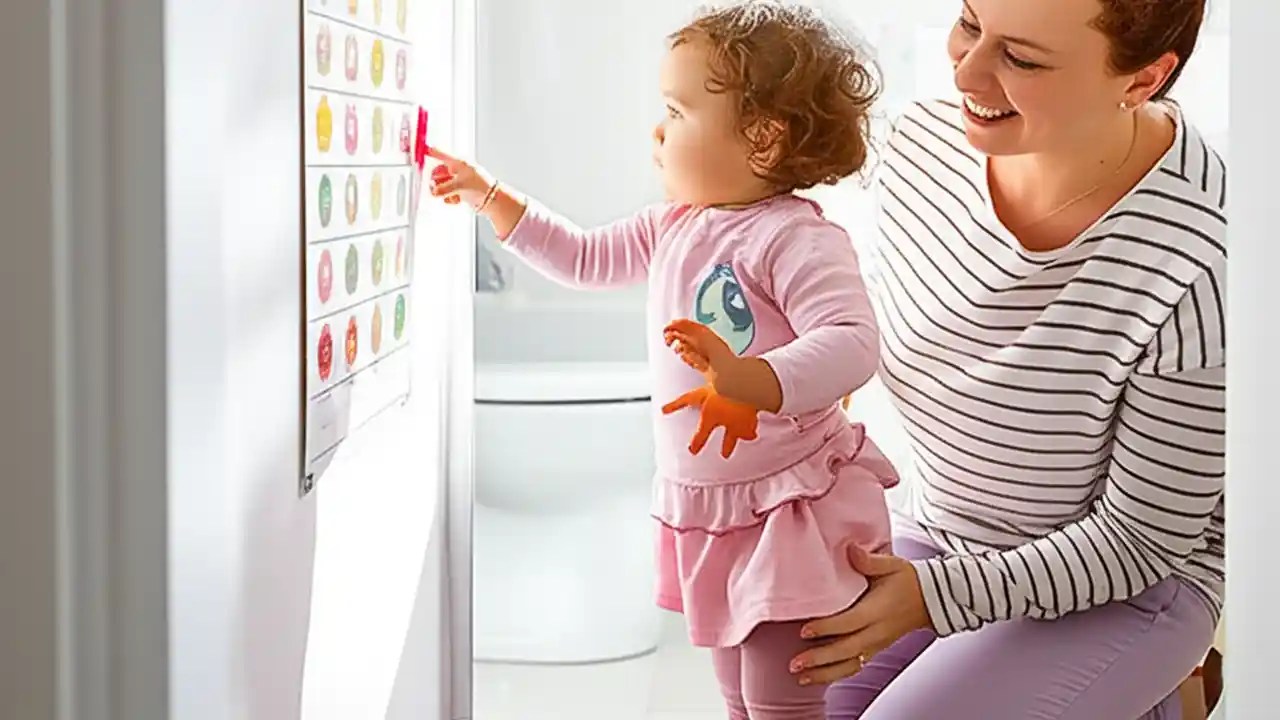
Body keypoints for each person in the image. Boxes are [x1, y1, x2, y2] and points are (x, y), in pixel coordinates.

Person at [427, 3, 900, 717]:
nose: (659, 129)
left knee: (778, 694)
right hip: (710, 506)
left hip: (780, 508)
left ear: (763, 141)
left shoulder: (793, 239)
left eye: (677, 113)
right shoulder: (677, 225)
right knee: (736, 694)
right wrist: (495, 200)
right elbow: (584, 257)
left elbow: (852, 341)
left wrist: (754, 379)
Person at [782, 1, 1226, 718]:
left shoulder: (1205, 258)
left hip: (1131, 583)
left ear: (1143, 80)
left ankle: (1160, 691)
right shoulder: (921, 149)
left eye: (1022, 58)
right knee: (786, 691)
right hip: (943, 532)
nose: (966, 67)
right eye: (968, 22)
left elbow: (1141, 541)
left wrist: (938, 598)